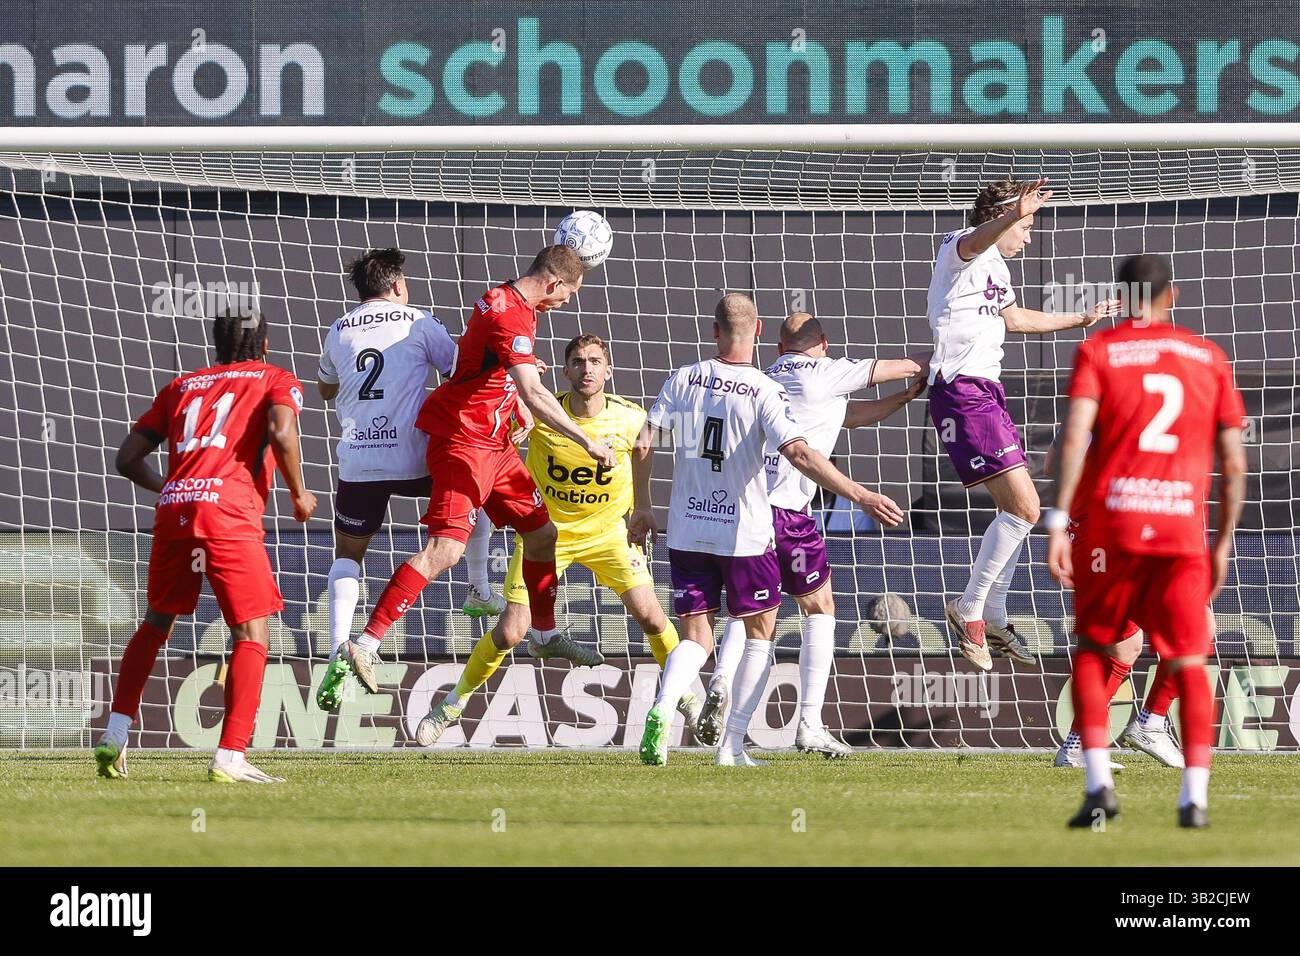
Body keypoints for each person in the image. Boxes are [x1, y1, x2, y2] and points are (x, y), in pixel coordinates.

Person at [634, 293, 904, 767]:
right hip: (748, 524)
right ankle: (754, 739)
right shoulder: (765, 389)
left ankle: (666, 707)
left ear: (715, 330)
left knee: (699, 636)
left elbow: (644, 439)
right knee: (773, 625)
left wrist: (642, 507)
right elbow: (800, 453)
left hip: (687, 526)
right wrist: (861, 494)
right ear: (759, 334)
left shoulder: (683, 379)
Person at [334, 246, 616, 696]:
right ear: (554, 284)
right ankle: (366, 643)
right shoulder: (511, 315)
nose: (567, 303)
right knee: (444, 550)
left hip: (495, 443)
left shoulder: (508, 300)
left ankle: (542, 634)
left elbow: (480, 362)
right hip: (463, 442)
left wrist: (509, 396)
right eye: (570, 293)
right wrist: (587, 440)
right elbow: (535, 393)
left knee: (542, 534)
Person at [415, 334, 699, 743]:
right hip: (546, 536)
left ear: (609, 370)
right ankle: (452, 704)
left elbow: (644, 449)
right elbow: (495, 423)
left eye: (596, 362)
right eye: (579, 362)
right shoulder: (542, 413)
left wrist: (644, 507)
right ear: (565, 370)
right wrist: (509, 429)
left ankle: (685, 696)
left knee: (652, 616)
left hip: (608, 534)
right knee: (512, 632)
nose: (588, 369)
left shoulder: (630, 417)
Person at [1049, 254, 1246, 829]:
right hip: (1178, 522)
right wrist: (1225, 540)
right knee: (1177, 646)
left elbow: (1073, 438)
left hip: (1111, 521)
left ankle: (1103, 768)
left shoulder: (1101, 351)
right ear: (1173, 295)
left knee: (1109, 645)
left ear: (1121, 295)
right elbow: (1233, 462)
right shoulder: (1207, 357)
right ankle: (1191, 795)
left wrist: (1058, 521)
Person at [94, 313, 316, 783]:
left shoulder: (182, 385)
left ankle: (114, 733)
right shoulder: (274, 377)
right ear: (266, 344)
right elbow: (281, 431)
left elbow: (127, 458)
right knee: (252, 633)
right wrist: (299, 493)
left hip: (175, 511)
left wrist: (174, 487)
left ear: (216, 346)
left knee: (156, 621)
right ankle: (230, 757)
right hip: (229, 513)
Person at [698, 311, 927, 756]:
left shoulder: (765, 379)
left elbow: (848, 417)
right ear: (823, 341)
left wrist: (904, 399)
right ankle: (809, 722)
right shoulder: (827, 370)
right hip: (788, 513)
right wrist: (951, 352)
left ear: (780, 348)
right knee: (820, 608)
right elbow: (902, 364)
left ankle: (721, 681)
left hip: (742, 512)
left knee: (749, 614)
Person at [927, 177, 1120, 670]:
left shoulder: (996, 268)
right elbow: (976, 239)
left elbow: (1015, 319)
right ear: (1004, 216)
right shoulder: (959, 247)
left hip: (986, 394)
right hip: (963, 391)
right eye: (1027, 224)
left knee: (1020, 511)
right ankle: (970, 607)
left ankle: (991, 611)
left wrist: (1080, 320)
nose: (1029, 236)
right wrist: (1014, 212)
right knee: (1027, 508)